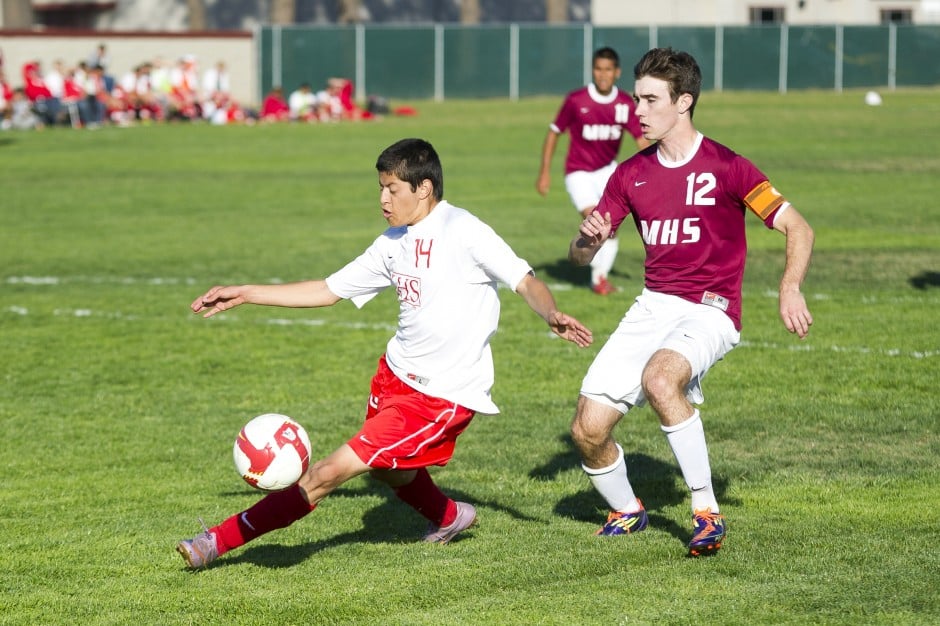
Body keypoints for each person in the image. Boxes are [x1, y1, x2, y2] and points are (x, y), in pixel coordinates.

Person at [176, 138, 594, 569]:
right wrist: (245, 293)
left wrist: (552, 313)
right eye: (381, 187)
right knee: (388, 469)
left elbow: (525, 280)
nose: (382, 199)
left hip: (440, 396)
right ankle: (452, 516)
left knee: (325, 474)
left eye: (392, 189)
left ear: (424, 188)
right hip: (393, 376)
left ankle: (214, 542)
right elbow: (326, 290)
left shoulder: (465, 231)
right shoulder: (392, 242)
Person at [567, 48, 814, 556]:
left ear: (684, 101)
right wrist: (586, 238)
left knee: (660, 378)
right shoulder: (629, 174)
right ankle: (628, 510)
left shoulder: (728, 166)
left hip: (710, 308)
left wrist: (789, 287)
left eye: (649, 99)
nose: (637, 110)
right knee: (587, 431)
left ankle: (706, 512)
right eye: (636, 98)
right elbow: (579, 255)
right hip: (652, 305)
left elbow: (798, 226)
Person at [537, 47, 650, 295]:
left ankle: (599, 278)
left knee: (612, 227)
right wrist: (545, 171)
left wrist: (657, 168)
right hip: (578, 172)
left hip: (608, 171)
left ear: (617, 72)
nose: (602, 74)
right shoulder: (576, 100)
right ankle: (598, 279)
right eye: (598, 69)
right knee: (598, 221)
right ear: (593, 70)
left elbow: (641, 140)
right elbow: (554, 132)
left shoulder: (624, 103)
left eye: (608, 69)